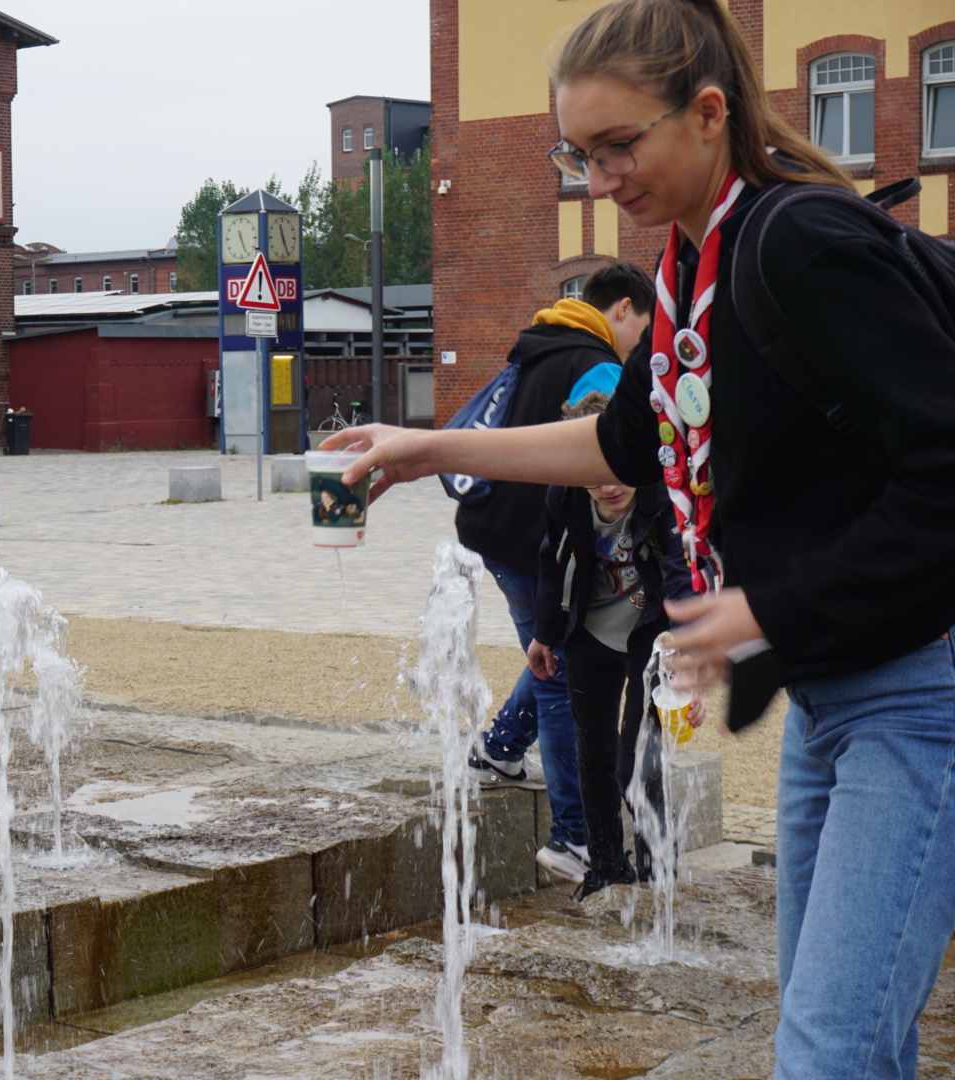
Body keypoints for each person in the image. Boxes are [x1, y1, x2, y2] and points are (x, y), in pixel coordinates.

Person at [326, 0, 955, 1075]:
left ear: (706, 113)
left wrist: (768, 605)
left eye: (619, 145)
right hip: (828, 703)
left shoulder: (797, 238)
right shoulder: (685, 268)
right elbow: (624, 439)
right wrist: (432, 447)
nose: (599, 178)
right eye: (578, 154)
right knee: (835, 1041)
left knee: (828, 1049)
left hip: (916, 696)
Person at [454, 260, 654, 885]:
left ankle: (500, 747)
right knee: (565, 671)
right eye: (642, 330)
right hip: (535, 540)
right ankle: (574, 836)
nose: (641, 346)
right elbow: (617, 449)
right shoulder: (599, 363)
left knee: (549, 648)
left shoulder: (539, 345)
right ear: (623, 309)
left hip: (493, 526)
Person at [525, 391, 697, 901]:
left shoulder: (657, 492)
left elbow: (679, 569)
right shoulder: (564, 495)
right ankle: (604, 865)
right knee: (592, 752)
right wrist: (545, 633)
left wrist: (682, 648)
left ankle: (655, 869)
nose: (608, 483)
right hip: (590, 632)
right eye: (592, 471)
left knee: (637, 759)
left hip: (648, 632)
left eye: (617, 466)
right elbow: (550, 563)